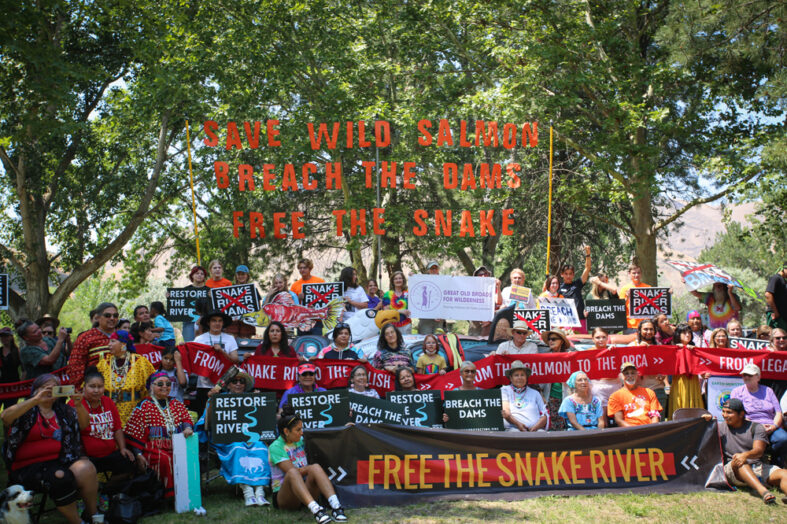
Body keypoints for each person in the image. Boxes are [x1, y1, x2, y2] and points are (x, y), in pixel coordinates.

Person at [2, 374, 101, 524]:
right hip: (27, 467)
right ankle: (78, 522)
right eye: (44, 388)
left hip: (60, 460)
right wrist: (36, 400)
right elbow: (5, 417)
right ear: (35, 390)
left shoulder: (63, 411)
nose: (49, 391)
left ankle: (93, 516)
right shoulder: (26, 410)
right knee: (59, 476)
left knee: (87, 469)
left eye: (54, 388)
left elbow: (84, 424)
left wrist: (79, 404)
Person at [199, 370, 271, 507]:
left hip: (251, 438)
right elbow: (207, 423)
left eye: (241, 381)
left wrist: (260, 402)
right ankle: (248, 493)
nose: (238, 384)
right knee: (238, 448)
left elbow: (262, 424)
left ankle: (260, 492)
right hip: (227, 439)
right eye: (234, 381)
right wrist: (211, 401)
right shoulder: (219, 398)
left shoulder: (251, 398)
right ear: (228, 385)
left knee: (261, 448)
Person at [268, 406, 348, 523]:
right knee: (293, 472)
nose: (302, 432)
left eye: (302, 429)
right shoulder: (276, 447)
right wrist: (309, 469)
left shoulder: (300, 440)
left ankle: (336, 507)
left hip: (305, 490)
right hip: (285, 496)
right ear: (286, 431)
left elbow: (326, 438)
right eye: (298, 430)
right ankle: (317, 511)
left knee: (315, 467)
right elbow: (293, 472)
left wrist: (345, 429)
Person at [124, 371, 194, 500]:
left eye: (168, 384)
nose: (165, 387)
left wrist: (188, 428)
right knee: (165, 459)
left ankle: (186, 494)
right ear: (151, 386)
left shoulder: (176, 403)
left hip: (176, 445)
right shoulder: (144, 405)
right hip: (153, 448)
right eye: (160, 384)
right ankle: (169, 496)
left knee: (183, 458)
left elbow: (186, 419)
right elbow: (134, 433)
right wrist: (138, 455)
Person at [702, 398, 787, 505]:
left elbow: (759, 451)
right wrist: (706, 422)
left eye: (729, 412)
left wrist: (745, 455)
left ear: (741, 414)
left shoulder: (756, 427)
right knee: (739, 461)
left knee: (784, 473)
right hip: (733, 469)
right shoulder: (719, 427)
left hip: (757, 466)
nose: (724, 415)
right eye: (723, 412)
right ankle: (764, 492)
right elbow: (701, 435)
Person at [69, 367, 136, 478]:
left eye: (100, 387)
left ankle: (108, 491)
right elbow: (73, 433)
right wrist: (80, 455)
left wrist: (123, 448)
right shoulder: (74, 404)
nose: (96, 390)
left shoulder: (108, 401)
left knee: (130, 461)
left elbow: (117, 428)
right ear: (84, 387)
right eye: (92, 386)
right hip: (87, 456)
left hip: (110, 453)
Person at [731, 364, 786, 467]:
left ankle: (775, 466)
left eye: (749, 375)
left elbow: (778, 412)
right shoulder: (737, 392)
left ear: (758, 377)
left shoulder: (768, 391)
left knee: (783, 438)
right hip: (749, 426)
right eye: (744, 375)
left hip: (770, 426)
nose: (746, 377)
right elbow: (736, 414)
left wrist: (774, 426)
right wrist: (758, 427)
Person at [97, 329, 156, 424]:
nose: (109, 345)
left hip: (135, 413)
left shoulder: (140, 362)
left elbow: (153, 386)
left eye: (112, 341)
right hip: (109, 412)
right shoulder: (104, 363)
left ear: (123, 344)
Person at [193, 310, 240, 415]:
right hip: (203, 385)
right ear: (209, 323)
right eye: (214, 321)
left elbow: (236, 360)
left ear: (223, 323)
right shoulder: (199, 339)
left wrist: (222, 352)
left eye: (220, 321)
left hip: (224, 385)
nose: (217, 323)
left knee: (223, 417)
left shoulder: (230, 339)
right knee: (203, 417)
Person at [67, 302, 118, 387]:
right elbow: (75, 367)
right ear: (98, 318)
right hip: (95, 389)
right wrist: (80, 389)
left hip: (121, 387)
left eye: (115, 316)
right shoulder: (85, 338)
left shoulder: (123, 337)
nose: (112, 318)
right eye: (107, 315)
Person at [667, 323, 704, 418]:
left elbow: (702, 368)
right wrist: (676, 350)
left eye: (689, 332)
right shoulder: (672, 348)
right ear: (678, 335)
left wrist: (694, 351)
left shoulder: (695, 349)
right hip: (679, 382)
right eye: (684, 333)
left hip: (693, 382)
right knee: (680, 402)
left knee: (693, 402)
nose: (688, 335)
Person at [607, 362, 662, 426]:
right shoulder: (615, 396)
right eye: (626, 373)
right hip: (630, 432)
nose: (630, 376)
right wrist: (635, 431)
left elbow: (655, 415)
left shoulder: (649, 392)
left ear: (637, 374)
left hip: (649, 429)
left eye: (633, 373)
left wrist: (653, 429)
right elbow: (619, 420)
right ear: (621, 376)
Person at [539, 329, 572, 431]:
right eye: (549, 339)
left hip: (567, 397)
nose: (550, 341)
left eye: (553, 339)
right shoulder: (544, 357)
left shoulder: (571, 355)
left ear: (561, 341)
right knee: (552, 429)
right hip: (549, 398)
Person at [500, 361, 547, 432]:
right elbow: (506, 413)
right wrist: (518, 424)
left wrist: (535, 427)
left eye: (522, 375)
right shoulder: (505, 390)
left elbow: (545, 415)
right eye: (516, 375)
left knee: (542, 433)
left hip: (535, 429)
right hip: (514, 428)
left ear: (526, 377)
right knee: (516, 433)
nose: (520, 378)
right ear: (511, 378)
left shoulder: (535, 393)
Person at [584, 328, 622, 410]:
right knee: (602, 416)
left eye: (603, 337)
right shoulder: (587, 352)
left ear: (607, 338)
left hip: (615, 386)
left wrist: (615, 352)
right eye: (598, 337)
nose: (601, 340)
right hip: (597, 388)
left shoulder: (613, 350)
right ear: (593, 339)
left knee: (618, 413)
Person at [557, 245, 592, 333]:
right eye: (566, 273)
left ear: (573, 275)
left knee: (584, 343)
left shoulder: (578, 284)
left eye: (570, 274)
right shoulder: (558, 287)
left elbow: (587, 269)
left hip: (581, 319)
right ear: (562, 274)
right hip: (566, 322)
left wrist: (588, 254)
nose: (568, 276)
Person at [291, 258, 326, 336]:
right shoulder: (295, 285)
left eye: (305, 267)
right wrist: (298, 298)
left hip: (316, 320)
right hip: (302, 321)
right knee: (302, 344)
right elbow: (291, 304)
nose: (302, 270)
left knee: (316, 343)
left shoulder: (319, 281)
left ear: (310, 268)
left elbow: (326, 300)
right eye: (300, 268)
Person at [618, 264, 651, 332]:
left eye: (638, 272)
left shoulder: (648, 287)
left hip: (645, 325)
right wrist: (627, 297)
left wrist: (668, 294)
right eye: (634, 273)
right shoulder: (625, 289)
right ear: (629, 274)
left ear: (641, 274)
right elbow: (620, 307)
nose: (636, 275)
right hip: (630, 325)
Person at [416, 261, 446, 334]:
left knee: (438, 340)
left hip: (439, 318)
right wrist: (411, 276)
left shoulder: (445, 281)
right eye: (432, 268)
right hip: (425, 318)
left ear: (438, 270)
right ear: (428, 270)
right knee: (425, 339)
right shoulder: (421, 281)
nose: (434, 270)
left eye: (436, 268)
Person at [182, 265, 208, 342]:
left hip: (205, 323)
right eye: (197, 273)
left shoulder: (209, 290)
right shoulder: (185, 290)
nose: (199, 275)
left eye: (202, 274)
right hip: (189, 322)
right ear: (192, 275)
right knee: (190, 344)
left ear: (204, 277)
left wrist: (212, 296)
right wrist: (170, 296)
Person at [383, 270, 411, 335]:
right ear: (392, 281)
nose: (398, 280)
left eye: (400, 278)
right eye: (395, 279)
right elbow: (386, 310)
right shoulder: (388, 294)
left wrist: (412, 277)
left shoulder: (408, 292)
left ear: (403, 280)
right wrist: (399, 311)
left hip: (406, 324)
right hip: (392, 326)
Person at [765, 263, 787, 330]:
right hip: (776, 317)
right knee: (778, 335)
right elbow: (768, 294)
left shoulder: (783, 281)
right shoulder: (776, 278)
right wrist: (775, 312)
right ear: (784, 269)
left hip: (783, 316)